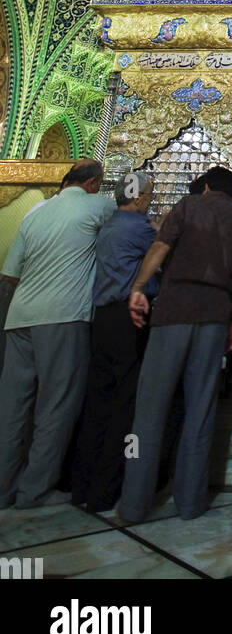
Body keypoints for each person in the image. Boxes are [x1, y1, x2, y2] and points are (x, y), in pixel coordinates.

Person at [118, 166, 232, 522]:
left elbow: (160, 248)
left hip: (174, 310)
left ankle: (134, 504)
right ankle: (191, 502)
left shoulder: (188, 206)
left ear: (208, 186)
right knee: (201, 411)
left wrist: (138, 288)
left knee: (150, 409)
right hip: (215, 317)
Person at [0, 160, 115, 508]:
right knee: (56, 405)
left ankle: (3, 489)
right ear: (94, 183)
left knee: (12, 407)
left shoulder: (36, 210)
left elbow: (11, 273)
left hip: (19, 317)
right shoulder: (99, 204)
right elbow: (132, 225)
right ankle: (34, 491)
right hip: (63, 317)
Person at [70, 171, 158, 514]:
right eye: (149, 196)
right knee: (124, 403)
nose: (150, 200)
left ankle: (82, 487)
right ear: (137, 198)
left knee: (97, 402)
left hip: (102, 318)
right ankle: (106, 491)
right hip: (127, 319)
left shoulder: (107, 224)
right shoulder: (138, 228)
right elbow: (165, 253)